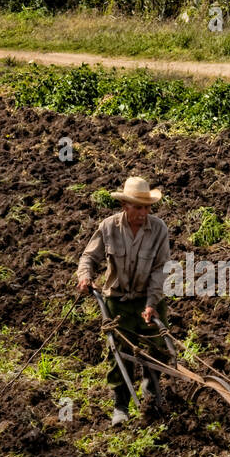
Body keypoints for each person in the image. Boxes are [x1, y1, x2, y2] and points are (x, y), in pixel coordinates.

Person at [77, 176, 173, 425]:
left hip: (148, 299)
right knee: (119, 354)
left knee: (156, 352)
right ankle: (121, 406)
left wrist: (152, 303)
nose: (143, 212)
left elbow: (160, 269)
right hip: (118, 302)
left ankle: (151, 396)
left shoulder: (159, 229)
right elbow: (89, 257)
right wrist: (85, 277)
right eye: (138, 207)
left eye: (147, 207)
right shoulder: (109, 227)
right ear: (125, 206)